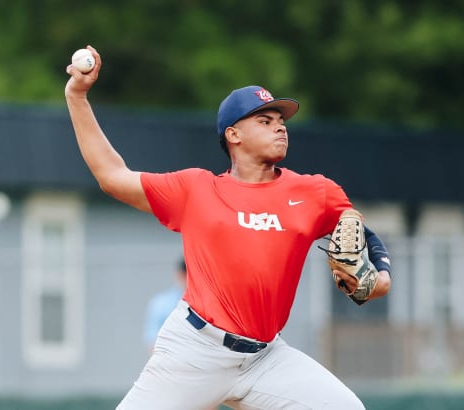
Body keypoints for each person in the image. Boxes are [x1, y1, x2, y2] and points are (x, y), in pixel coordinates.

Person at [65, 45, 392, 409]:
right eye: (265, 121)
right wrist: (77, 96)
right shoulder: (197, 189)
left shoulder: (314, 192)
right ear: (234, 135)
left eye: (281, 121)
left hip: (266, 359)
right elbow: (112, 176)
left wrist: (381, 277)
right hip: (194, 351)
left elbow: (360, 229)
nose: (280, 127)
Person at [142, 258, 188, 351]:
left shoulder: (208, 302)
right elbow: (153, 343)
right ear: (180, 275)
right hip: (170, 360)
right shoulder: (161, 304)